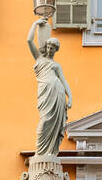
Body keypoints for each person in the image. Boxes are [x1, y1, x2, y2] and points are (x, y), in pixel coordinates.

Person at [27, 18, 71, 158]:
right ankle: (40, 153)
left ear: (56, 50)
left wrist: (70, 97)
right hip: (45, 94)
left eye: (53, 48)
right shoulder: (39, 59)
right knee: (45, 120)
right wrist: (35, 24)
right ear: (45, 47)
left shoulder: (56, 66)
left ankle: (51, 152)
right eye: (48, 47)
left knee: (56, 123)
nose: (50, 49)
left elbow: (63, 81)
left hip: (57, 93)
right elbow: (29, 40)